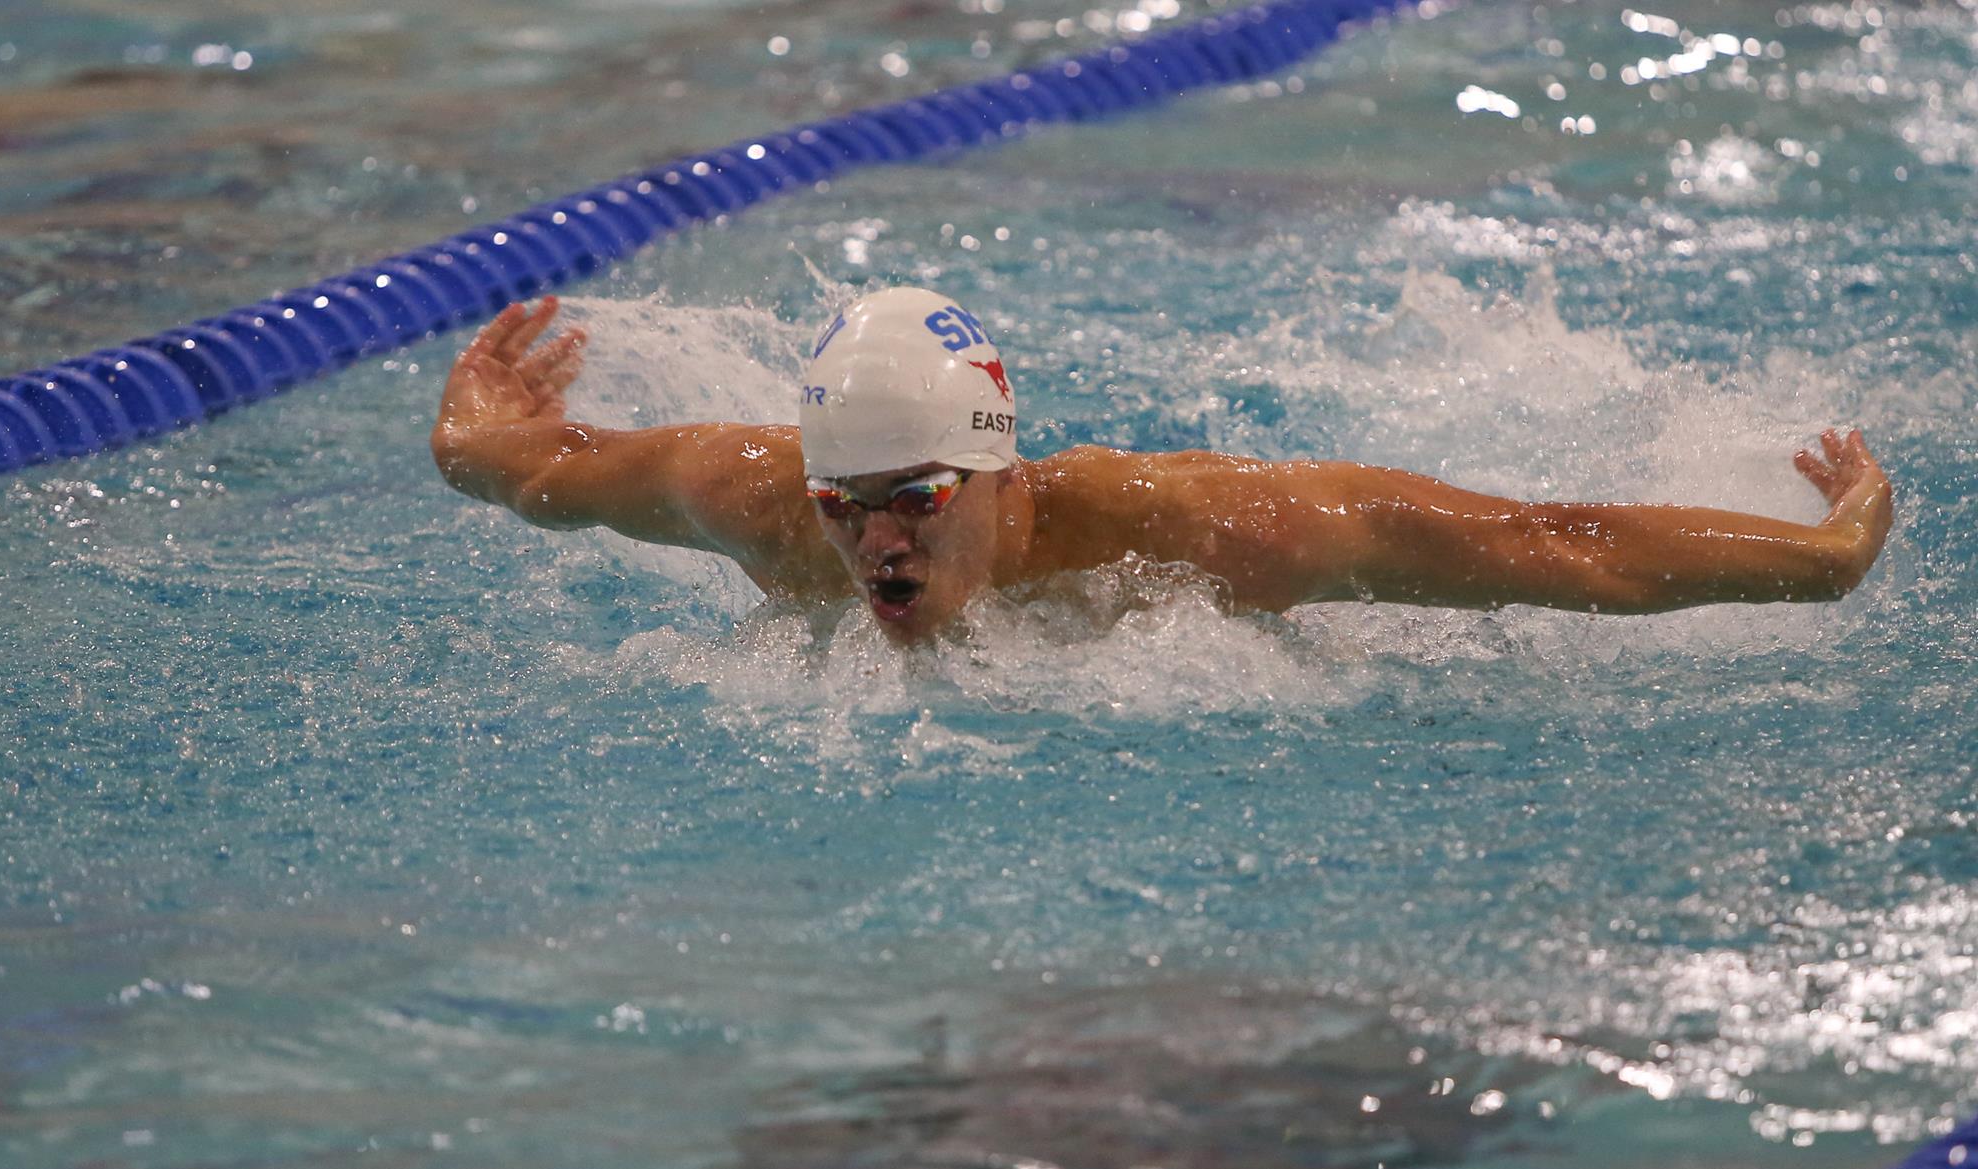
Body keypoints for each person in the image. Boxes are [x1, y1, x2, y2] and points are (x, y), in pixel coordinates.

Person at [431, 286, 1892, 643]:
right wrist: (471, 433)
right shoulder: (755, 503)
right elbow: (531, 471)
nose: (875, 545)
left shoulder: (1207, 531)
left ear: (1005, 479)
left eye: (919, 500)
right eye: (847, 506)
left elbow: (1556, 541)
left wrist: (1823, 559)